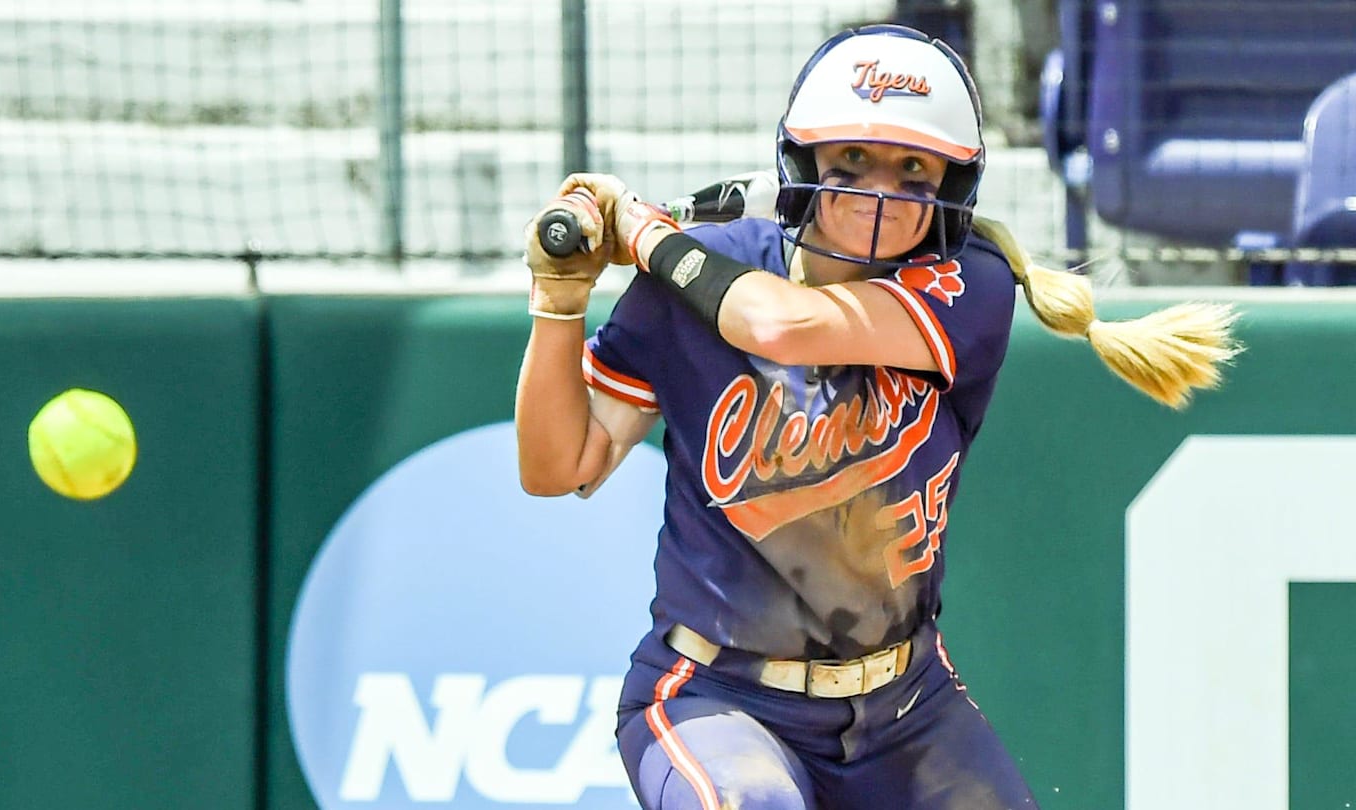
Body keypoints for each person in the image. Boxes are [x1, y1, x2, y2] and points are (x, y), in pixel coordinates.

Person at [515, 24, 1239, 810]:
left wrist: (647, 233)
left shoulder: (969, 285)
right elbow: (560, 467)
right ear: (803, 163)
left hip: (905, 706)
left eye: (913, 169)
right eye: (851, 160)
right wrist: (559, 302)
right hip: (716, 697)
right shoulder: (700, 274)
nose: (879, 194)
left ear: (951, 190)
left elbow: (779, 325)